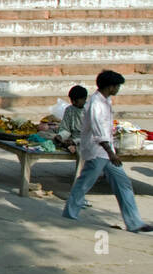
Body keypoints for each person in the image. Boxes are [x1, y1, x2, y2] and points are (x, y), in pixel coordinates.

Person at [62, 71, 152, 231]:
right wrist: (111, 153)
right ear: (110, 87)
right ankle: (70, 214)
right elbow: (98, 133)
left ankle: (134, 222)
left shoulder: (105, 101)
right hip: (97, 151)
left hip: (106, 152)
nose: (118, 89)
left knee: (123, 184)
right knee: (84, 184)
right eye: (117, 86)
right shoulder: (95, 104)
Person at [56, 85, 88, 153]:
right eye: (71, 100)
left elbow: (92, 135)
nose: (73, 103)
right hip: (72, 138)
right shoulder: (69, 109)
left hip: (87, 140)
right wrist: (61, 136)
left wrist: (75, 141)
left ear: (84, 98)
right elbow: (66, 129)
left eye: (76, 101)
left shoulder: (91, 110)